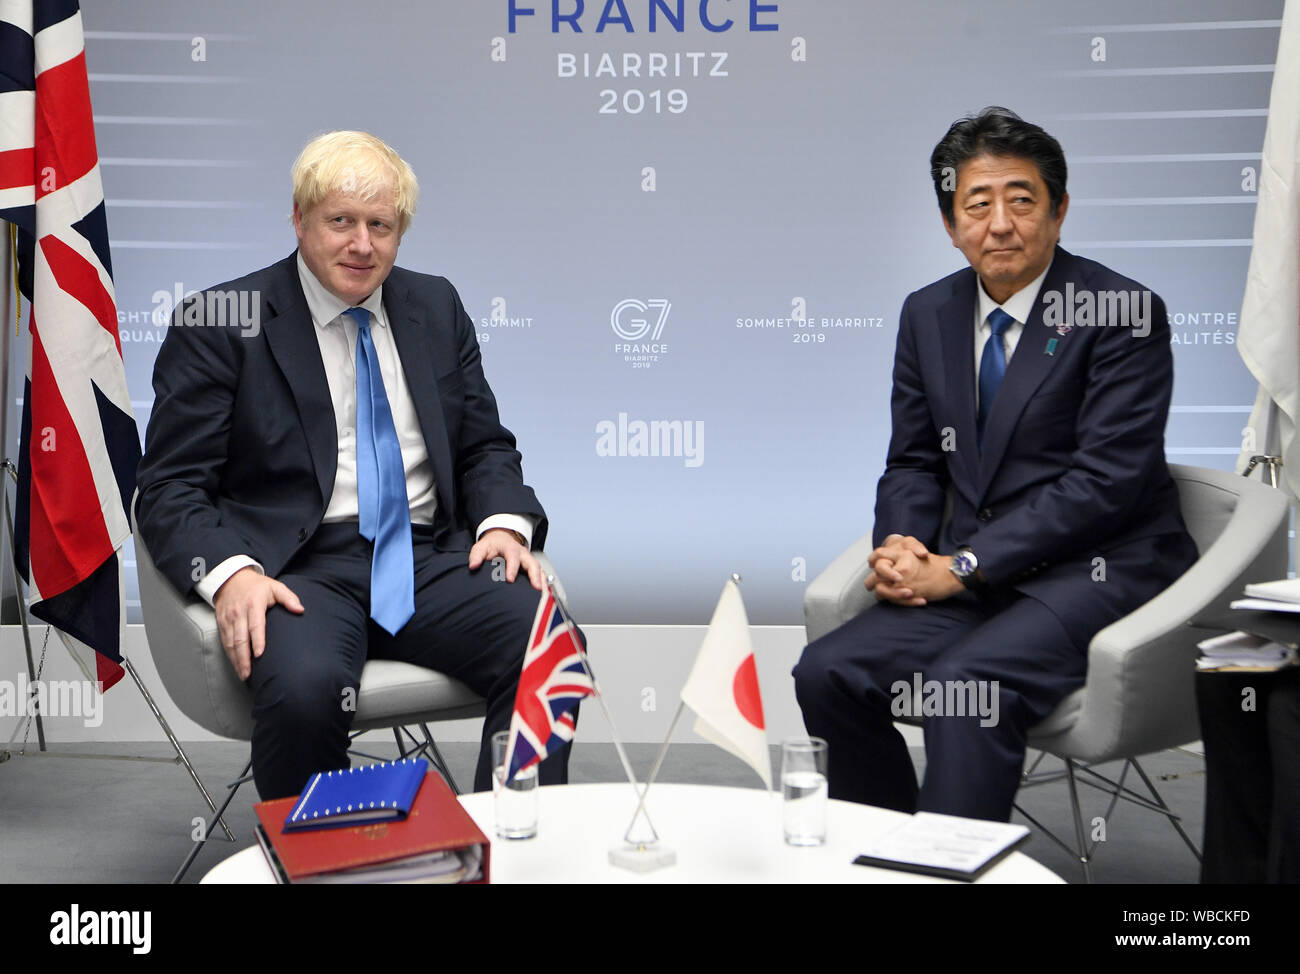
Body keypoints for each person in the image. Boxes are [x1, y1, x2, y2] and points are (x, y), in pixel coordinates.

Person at [136, 130, 570, 799]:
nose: (361, 245)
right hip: (295, 570)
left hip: (425, 558)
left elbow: (484, 444)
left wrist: (503, 524)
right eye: (340, 221)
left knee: (548, 648)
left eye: (381, 226)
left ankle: (507, 851)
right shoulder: (220, 321)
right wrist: (229, 577)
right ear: (300, 219)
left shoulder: (435, 306)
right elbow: (169, 489)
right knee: (306, 694)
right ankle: (323, 869)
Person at [793, 107, 1198, 822]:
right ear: (952, 225)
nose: (1000, 224)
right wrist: (904, 543)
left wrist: (964, 565)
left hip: (1096, 570)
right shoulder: (929, 313)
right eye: (976, 205)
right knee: (827, 671)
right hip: (977, 577)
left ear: (1060, 210)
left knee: (967, 681)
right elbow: (914, 461)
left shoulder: (1121, 310)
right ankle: (885, 858)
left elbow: (1105, 485)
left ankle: (951, 870)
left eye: (1022, 200)